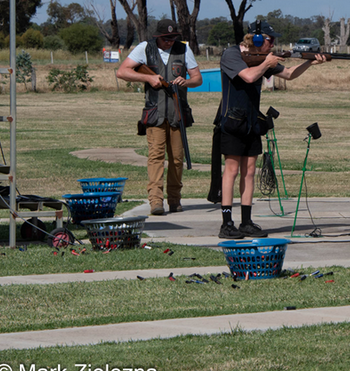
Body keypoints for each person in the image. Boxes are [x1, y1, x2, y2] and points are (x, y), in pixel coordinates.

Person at [216, 22, 325, 239]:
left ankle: (246, 222)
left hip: (251, 122)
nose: (273, 44)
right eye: (270, 39)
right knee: (232, 171)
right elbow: (248, 76)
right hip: (232, 121)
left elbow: (289, 74)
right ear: (257, 39)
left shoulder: (263, 59)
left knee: (249, 172)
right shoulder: (232, 54)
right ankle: (227, 223)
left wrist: (310, 62)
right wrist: (267, 63)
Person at [116, 19, 202, 216]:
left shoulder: (184, 49)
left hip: (177, 112)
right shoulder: (144, 48)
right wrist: (148, 77)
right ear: (158, 37)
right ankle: (156, 201)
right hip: (155, 113)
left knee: (177, 158)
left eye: (172, 38)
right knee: (156, 157)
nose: (169, 42)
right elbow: (122, 72)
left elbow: (198, 78)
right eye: (166, 38)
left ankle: (175, 199)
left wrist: (186, 82)